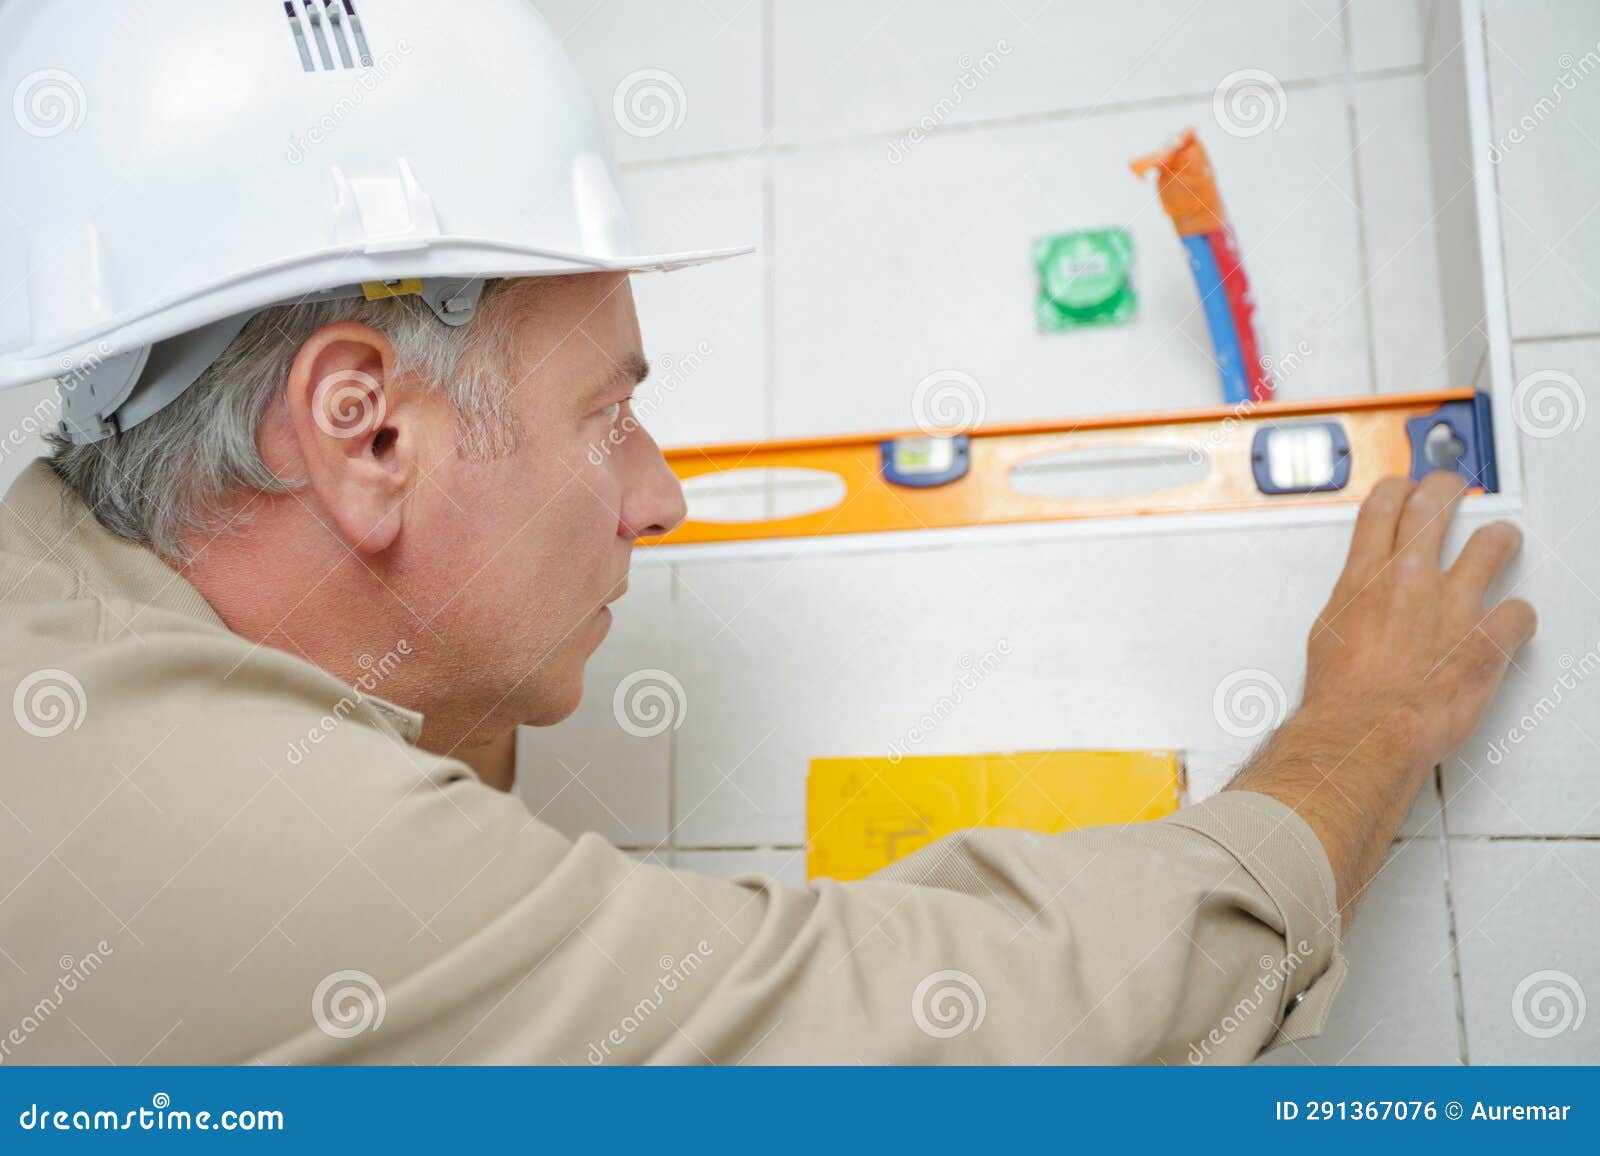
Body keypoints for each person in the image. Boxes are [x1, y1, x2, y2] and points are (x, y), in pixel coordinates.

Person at [0, 1, 1534, 1065]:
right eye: (612, 411)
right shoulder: (292, 866)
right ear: (368, 431)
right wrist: (1364, 729)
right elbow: (951, 1040)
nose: (658, 494)